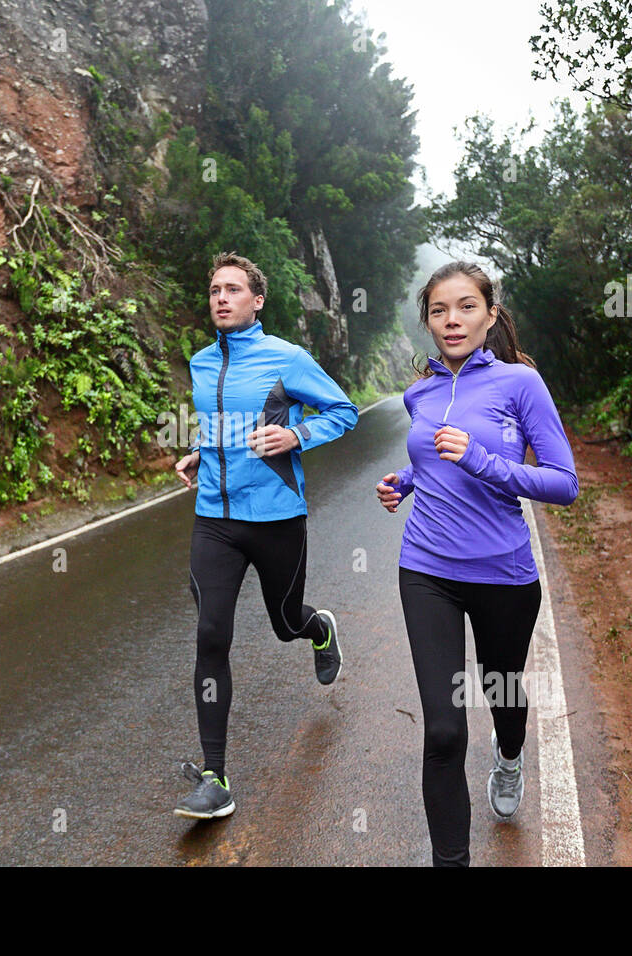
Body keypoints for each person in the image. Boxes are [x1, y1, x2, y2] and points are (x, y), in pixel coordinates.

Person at [375, 260, 578, 866]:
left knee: (502, 693)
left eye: (466, 306)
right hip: (427, 570)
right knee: (443, 731)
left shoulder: (521, 384)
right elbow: (435, 459)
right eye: (439, 310)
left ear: (491, 315)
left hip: (504, 576)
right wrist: (406, 482)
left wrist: (483, 463)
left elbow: (564, 484)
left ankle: (510, 755)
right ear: (428, 323)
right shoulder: (420, 391)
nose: (452, 319)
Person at [171, 251, 358, 820]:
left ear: (256, 300)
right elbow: (223, 424)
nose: (220, 298)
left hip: (277, 518)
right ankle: (216, 776)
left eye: (232, 289)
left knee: (285, 623)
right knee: (210, 635)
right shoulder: (203, 362)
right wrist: (203, 453)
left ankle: (317, 627)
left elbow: (345, 412)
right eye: (213, 291)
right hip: (216, 519)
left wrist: (296, 436)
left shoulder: (289, 358)